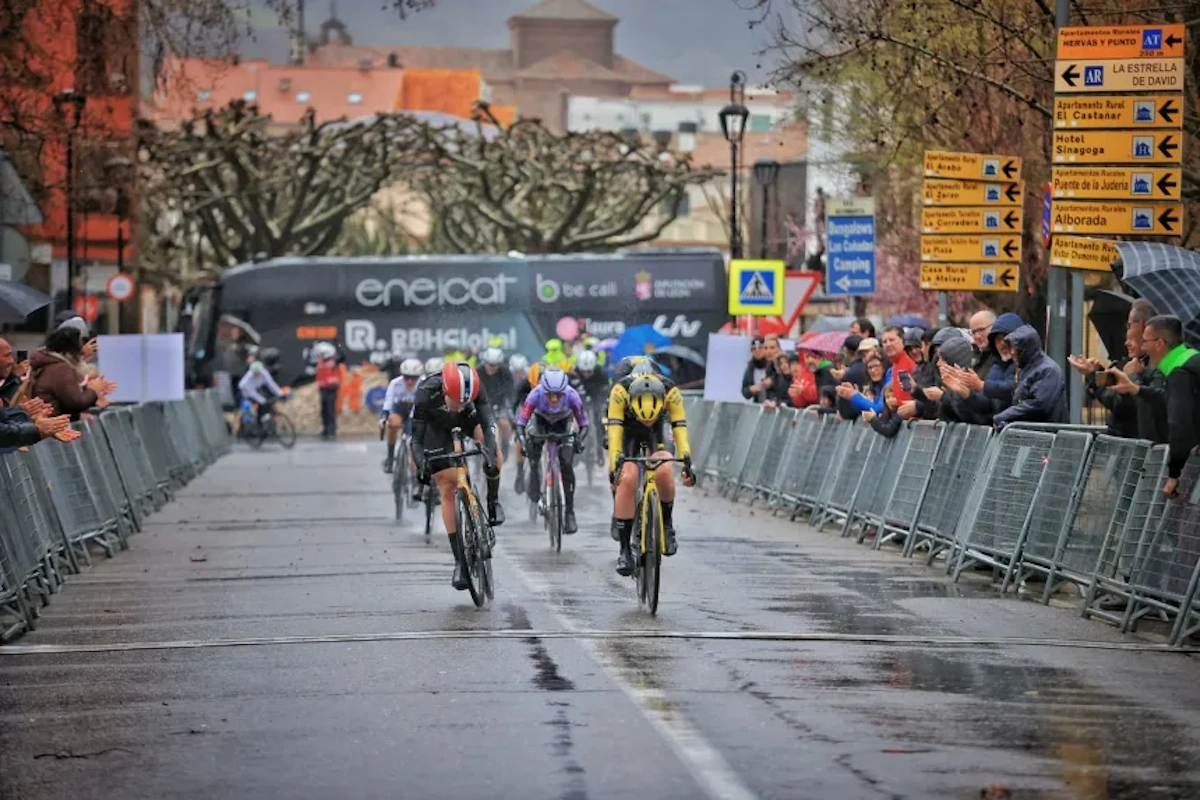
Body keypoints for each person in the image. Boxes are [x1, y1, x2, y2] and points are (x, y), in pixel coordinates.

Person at [411, 362, 505, 591]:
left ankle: (493, 501)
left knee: (493, 448)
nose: (461, 404)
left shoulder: (475, 390)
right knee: (446, 485)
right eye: (457, 399)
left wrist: (491, 457)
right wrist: (422, 466)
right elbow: (416, 440)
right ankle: (460, 562)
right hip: (438, 428)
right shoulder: (425, 391)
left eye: (466, 400)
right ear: (444, 389)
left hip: (470, 422)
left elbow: (489, 423)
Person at [607, 367, 694, 576]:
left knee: (663, 470)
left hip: (657, 433)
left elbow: (679, 429)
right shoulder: (620, 392)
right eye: (644, 417)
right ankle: (625, 550)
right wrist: (614, 465)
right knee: (627, 477)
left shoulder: (671, 392)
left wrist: (686, 463)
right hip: (628, 430)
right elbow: (614, 434)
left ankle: (666, 524)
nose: (646, 419)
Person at [517, 367, 589, 534]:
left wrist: (579, 440)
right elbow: (521, 423)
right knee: (533, 456)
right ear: (543, 391)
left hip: (563, 423)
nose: (555, 399)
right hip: (540, 422)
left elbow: (584, 425)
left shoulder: (572, 396)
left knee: (567, 465)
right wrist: (524, 441)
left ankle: (569, 512)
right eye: (550, 394)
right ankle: (534, 485)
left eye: (558, 394)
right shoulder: (535, 394)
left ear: (565, 391)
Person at [22, 320, 114, 421]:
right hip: (54, 425)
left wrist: (91, 393)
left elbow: (66, 397)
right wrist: (94, 390)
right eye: (81, 344)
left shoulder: (51, 364)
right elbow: (76, 402)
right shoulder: (61, 369)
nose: (84, 349)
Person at [992, 325, 1069, 430]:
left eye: (1017, 348)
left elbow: (1038, 405)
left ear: (1027, 348)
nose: (1012, 352)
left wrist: (1005, 416)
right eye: (1011, 347)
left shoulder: (1047, 370)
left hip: (1048, 436)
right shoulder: (1026, 369)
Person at [380, 357, 424, 475]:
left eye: (414, 378)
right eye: (406, 377)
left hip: (417, 410)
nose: (409, 381)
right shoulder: (395, 383)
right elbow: (388, 400)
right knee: (393, 423)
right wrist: (384, 416)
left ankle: (416, 472)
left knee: (413, 440)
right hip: (399, 408)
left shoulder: (424, 383)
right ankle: (390, 457)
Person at [478, 347, 515, 449]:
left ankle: (505, 443)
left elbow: (509, 393)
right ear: (485, 362)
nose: (491, 368)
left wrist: (504, 408)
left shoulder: (506, 373)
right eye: (489, 364)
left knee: (504, 423)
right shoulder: (478, 372)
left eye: (495, 365)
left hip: (501, 402)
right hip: (483, 402)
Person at [238, 359, 285, 428]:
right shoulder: (246, 381)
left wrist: (280, 393)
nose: (258, 374)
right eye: (256, 373)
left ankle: (267, 419)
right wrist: (261, 400)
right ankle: (258, 422)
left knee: (268, 402)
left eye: (259, 372)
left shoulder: (263, 372)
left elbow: (271, 383)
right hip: (246, 392)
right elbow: (252, 393)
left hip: (257, 388)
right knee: (261, 404)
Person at [314, 342, 341, 440]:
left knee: (330, 410)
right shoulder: (320, 362)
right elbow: (319, 375)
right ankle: (325, 429)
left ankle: (331, 431)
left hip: (331, 388)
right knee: (324, 410)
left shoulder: (333, 362)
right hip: (323, 388)